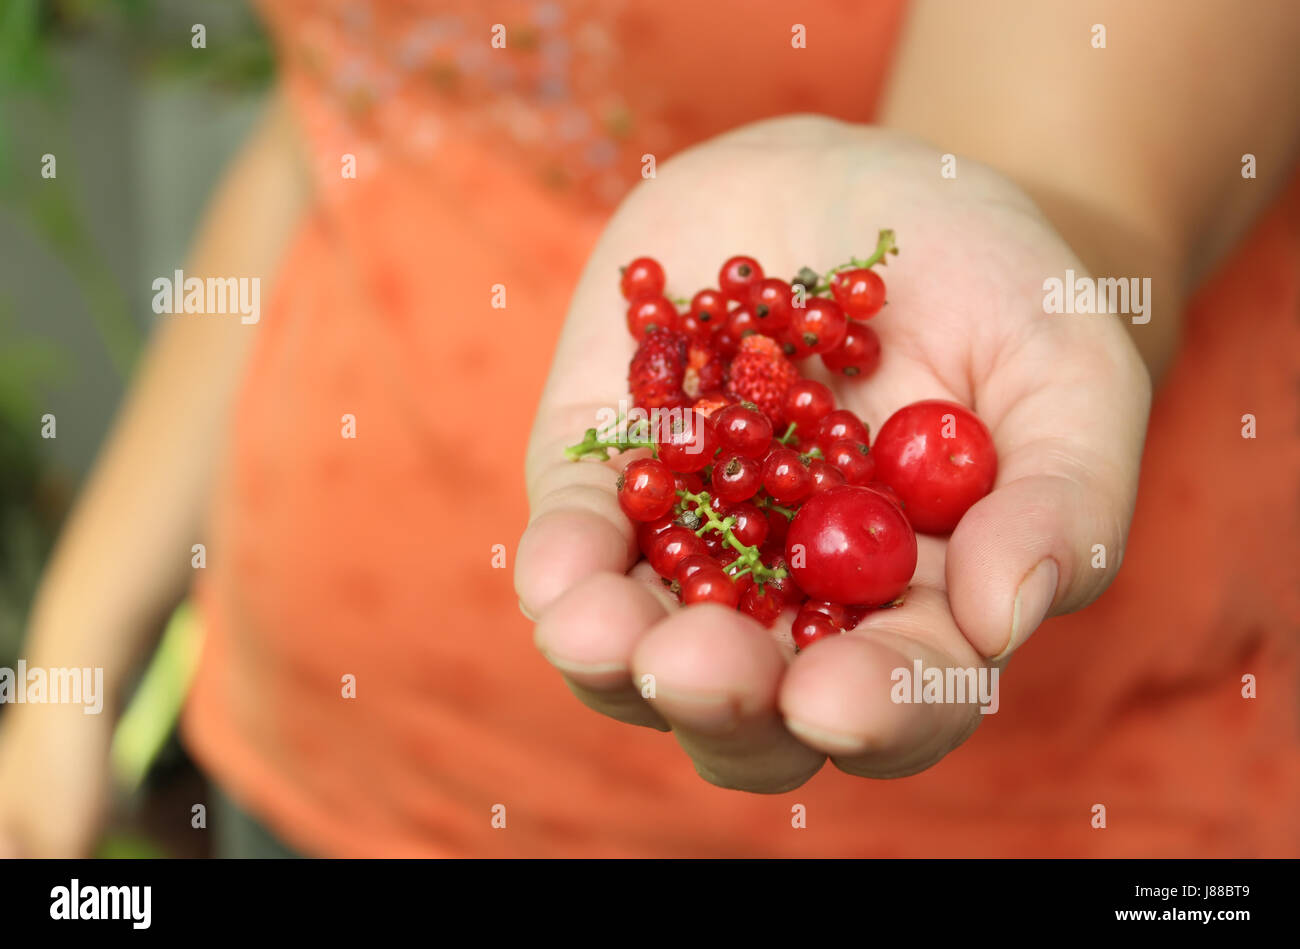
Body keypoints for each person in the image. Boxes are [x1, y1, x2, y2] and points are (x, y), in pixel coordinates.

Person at [1, 0, 1297, 858]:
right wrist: (77, 655)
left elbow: (1084, 147)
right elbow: (358, 125)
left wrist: (1011, 243)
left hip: (1027, 812)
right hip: (316, 776)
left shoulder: (804, 412)